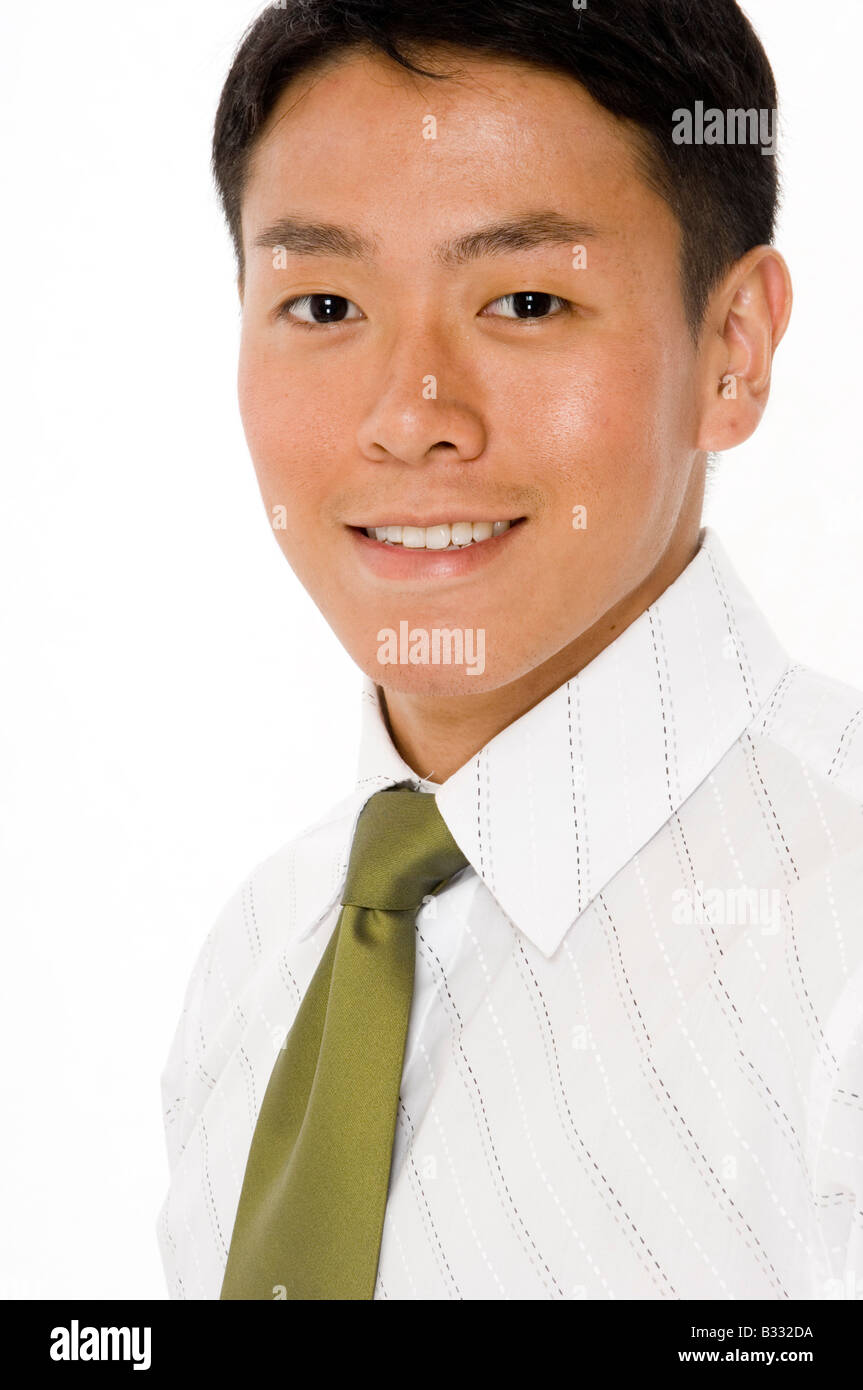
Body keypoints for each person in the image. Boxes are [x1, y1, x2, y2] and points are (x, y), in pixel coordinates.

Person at [157, 0, 863, 1299]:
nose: (412, 415)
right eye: (323, 302)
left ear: (735, 347)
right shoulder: (260, 958)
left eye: (527, 299)